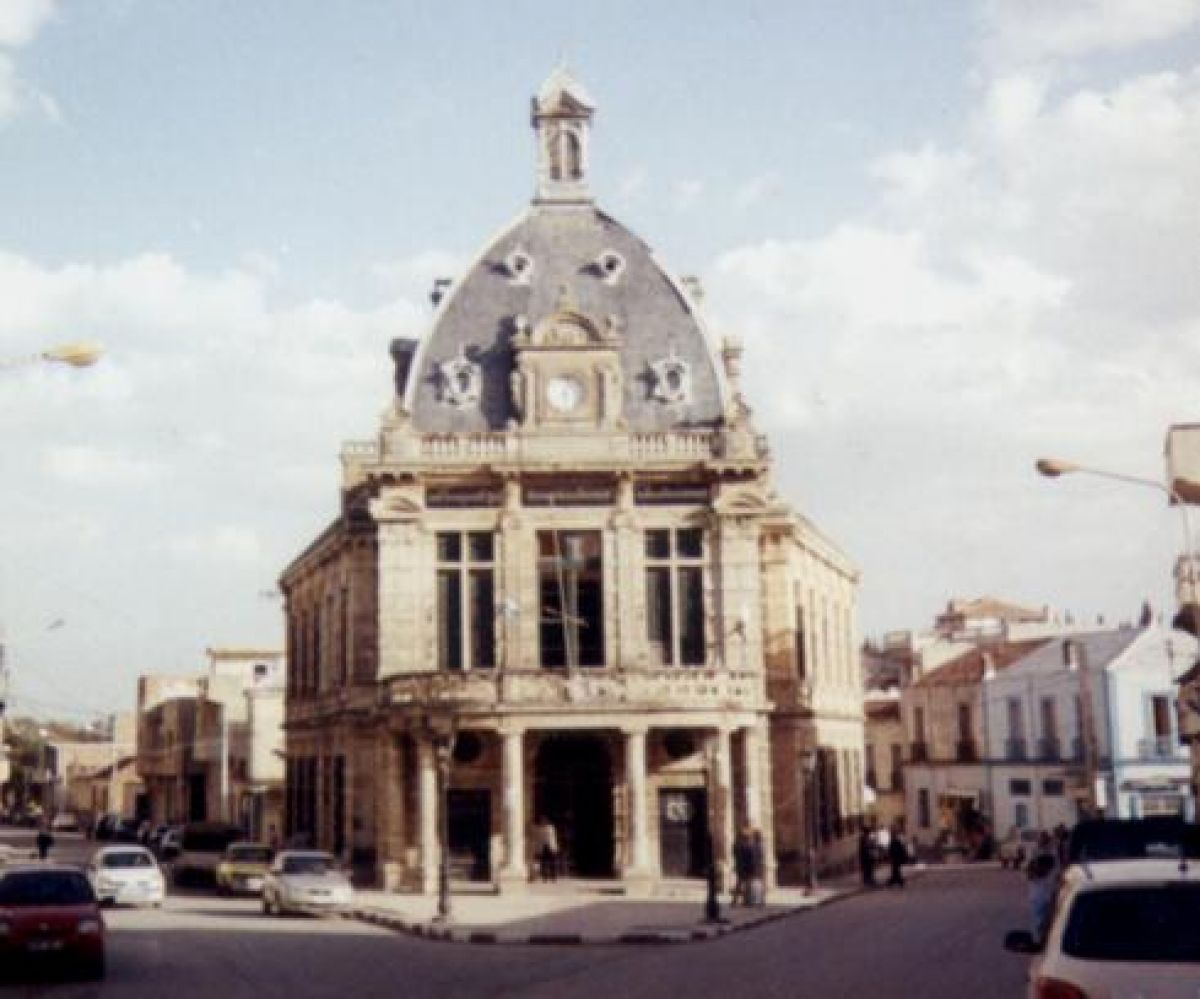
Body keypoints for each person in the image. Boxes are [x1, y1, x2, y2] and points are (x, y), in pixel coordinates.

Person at [1027, 852, 1058, 944]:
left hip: (1045, 901)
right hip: (1040, 901)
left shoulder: (1050, 876)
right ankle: (1039, 940)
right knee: (1040, 922)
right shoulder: (1037, 876)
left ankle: (1041, 939)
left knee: (1045, 922)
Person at [732, 826, 754, 905]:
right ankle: (746, 900)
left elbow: (735, 855)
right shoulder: (748, 846)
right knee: (746, 884)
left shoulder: (736, 845)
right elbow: (751, 858)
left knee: (739, 883)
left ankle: (735, 900)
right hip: (747, 867)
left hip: (740, 866)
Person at [535, 816, 558, 882]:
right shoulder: (539, 829)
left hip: (550, 847)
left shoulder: (550, 828)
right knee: (543, 863)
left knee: (552, 863)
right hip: (543, 847)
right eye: (542, 821)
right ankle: (545, 876)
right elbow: (538, 839)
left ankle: (553, 876)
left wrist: (555, 848)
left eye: (544, 821)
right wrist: (537, 848)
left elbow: (552, 838)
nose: (543, 822)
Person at [748, 827, 766, 906]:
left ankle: (756, 900)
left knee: (755, 883)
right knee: (759, 883)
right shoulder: (761, 845)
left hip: (755, 866)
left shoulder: (755, 846)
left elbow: (754, 857)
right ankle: (760, 900)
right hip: (759, 865)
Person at [886, 823, 907, 888]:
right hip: (896, 857)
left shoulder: (896, 840)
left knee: (896, 870)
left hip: (896, 857)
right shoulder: (895, 840)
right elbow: (892, 848)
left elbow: (897, 849)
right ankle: (896, 881)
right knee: (895, 870)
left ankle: (897, 881)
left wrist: (891, 855)